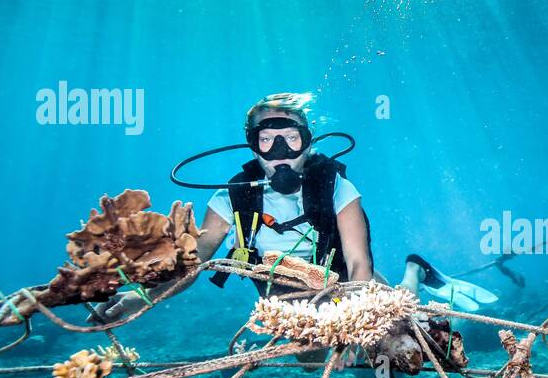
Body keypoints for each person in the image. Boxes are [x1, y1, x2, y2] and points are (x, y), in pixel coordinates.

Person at [95, 92, 496, 321]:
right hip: (285, 295)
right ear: (253, 145)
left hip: (344, 281)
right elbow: (193, 266)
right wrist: (138, 299)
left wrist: (353, 320)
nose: (281, 152)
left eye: (292, 138)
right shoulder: (229, 200)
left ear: (308, 142)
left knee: (403, 317)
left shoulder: (338, 189)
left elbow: (359, 263)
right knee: (310, 362)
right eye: (268, 141)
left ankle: (414, 269)